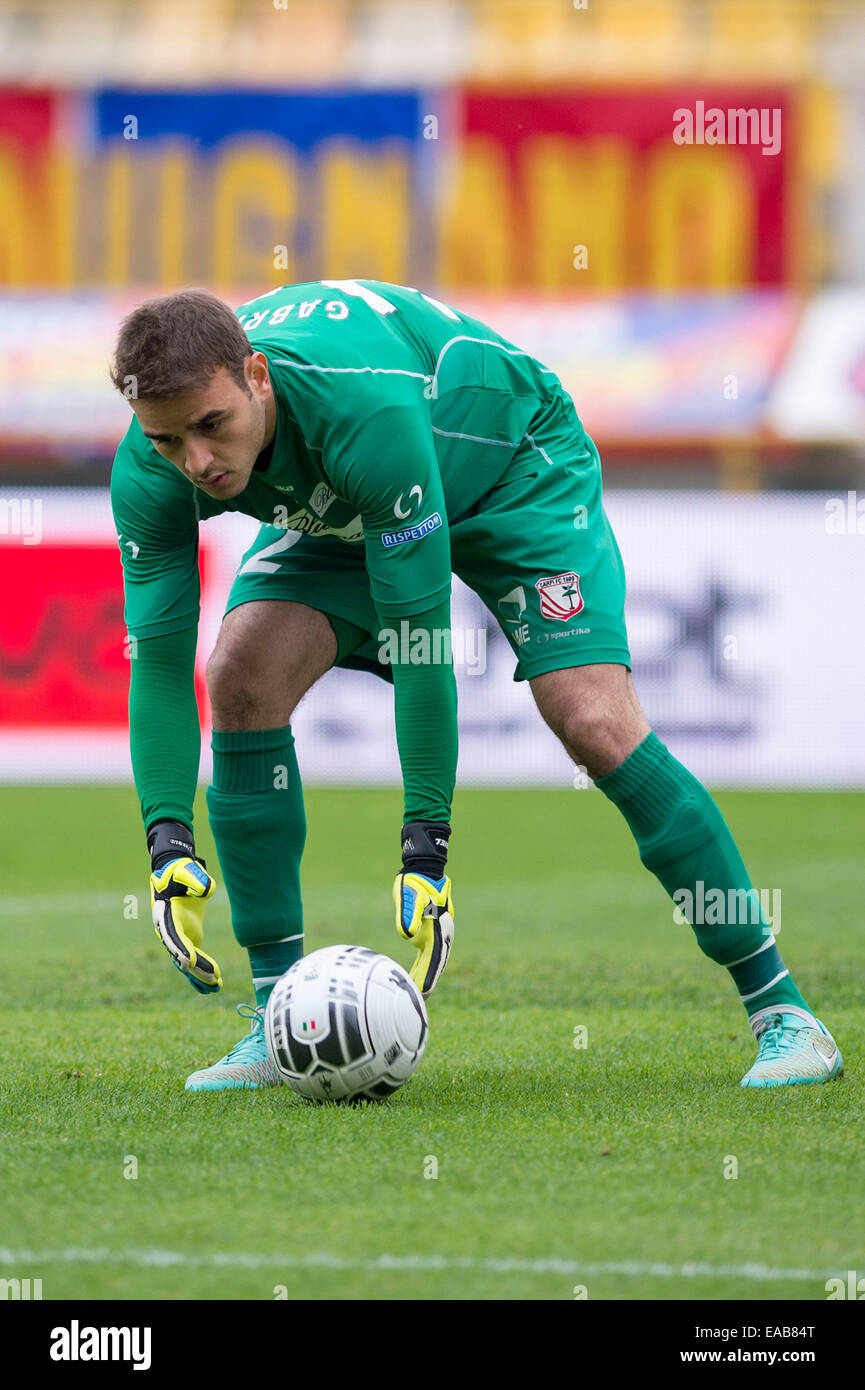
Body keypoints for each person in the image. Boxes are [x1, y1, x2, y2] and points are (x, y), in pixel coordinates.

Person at [109, 279, 842, 1092]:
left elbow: (422, 645)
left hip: (510, 463)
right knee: (239, 673)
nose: (199, 463)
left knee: (591, 719)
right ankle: (278, 1018)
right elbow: (160, 661)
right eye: (170, 441)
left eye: (212, 427)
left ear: (256, 376)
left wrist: (426, 848)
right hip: (353, 501)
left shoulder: (364, 412)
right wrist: (165, 838)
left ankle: (781, 1009)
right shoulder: (152, 468)